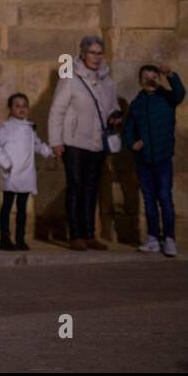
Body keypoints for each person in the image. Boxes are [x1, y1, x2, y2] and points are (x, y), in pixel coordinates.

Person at [48, 35, 119, 251]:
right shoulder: (70, 77)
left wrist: (115, 116)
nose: (96, 57)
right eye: (92, 53)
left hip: (97, 143)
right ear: (83, 54)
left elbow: (112, 106)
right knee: (76, 187)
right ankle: (75, 234)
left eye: (99, 53)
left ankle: (89, 234)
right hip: (74, 142)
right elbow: (57, 110)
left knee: (91, 188)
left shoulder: (107, 80)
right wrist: (56, 141)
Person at [123, 64, 185, 257]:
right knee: (149, 200)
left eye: (153, 76)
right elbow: (128, 129)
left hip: (163, 158)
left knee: (165, 198)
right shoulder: (137, 104)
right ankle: (152, 238)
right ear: (140, 81)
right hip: (144, 160)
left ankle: (169, 239)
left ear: (158, 78)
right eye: (146, 77)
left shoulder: (167, 98)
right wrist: (132, 143)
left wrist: (170, 75)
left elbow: (180, 94)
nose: (150, 80)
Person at [0, 92, 52, 252]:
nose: (21, 109)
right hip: (12, 172)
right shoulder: (7, 128)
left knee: (22, 208)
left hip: (26, 173)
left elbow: (36, 144)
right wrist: (5, 162)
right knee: (7, 205)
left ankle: (20, 239)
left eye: (24, 106)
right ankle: (4, 239)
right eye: (17, 106)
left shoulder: (29, 128)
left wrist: (49, 151)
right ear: (10, 109)